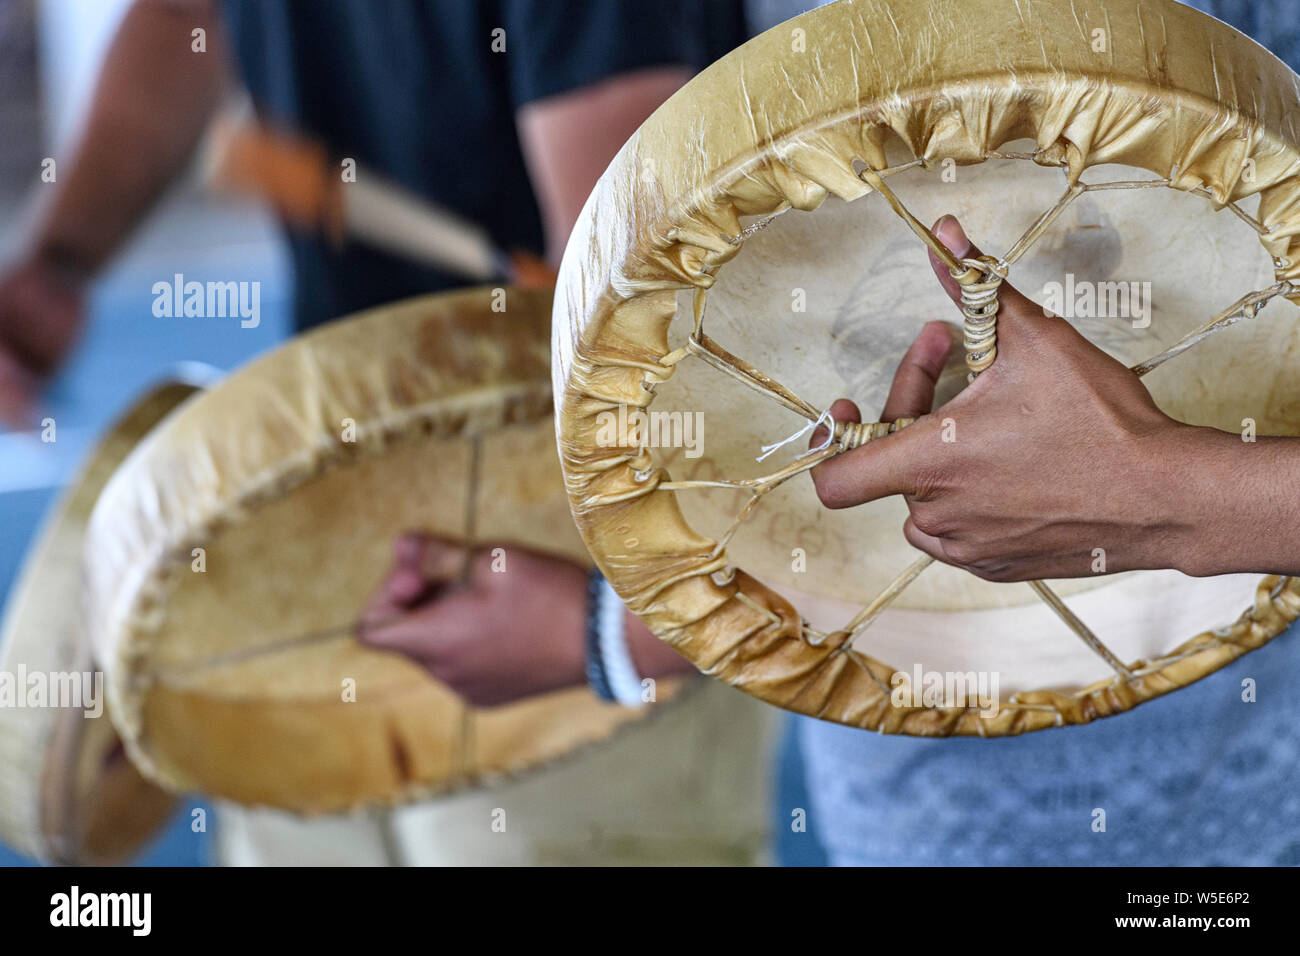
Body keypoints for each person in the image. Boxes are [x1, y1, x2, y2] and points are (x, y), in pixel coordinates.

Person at [0, 0, 734, 705]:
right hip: (354, 483)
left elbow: (632, 313)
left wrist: (608, 638)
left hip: (575, 546)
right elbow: (184, 17)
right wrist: (55, 269)